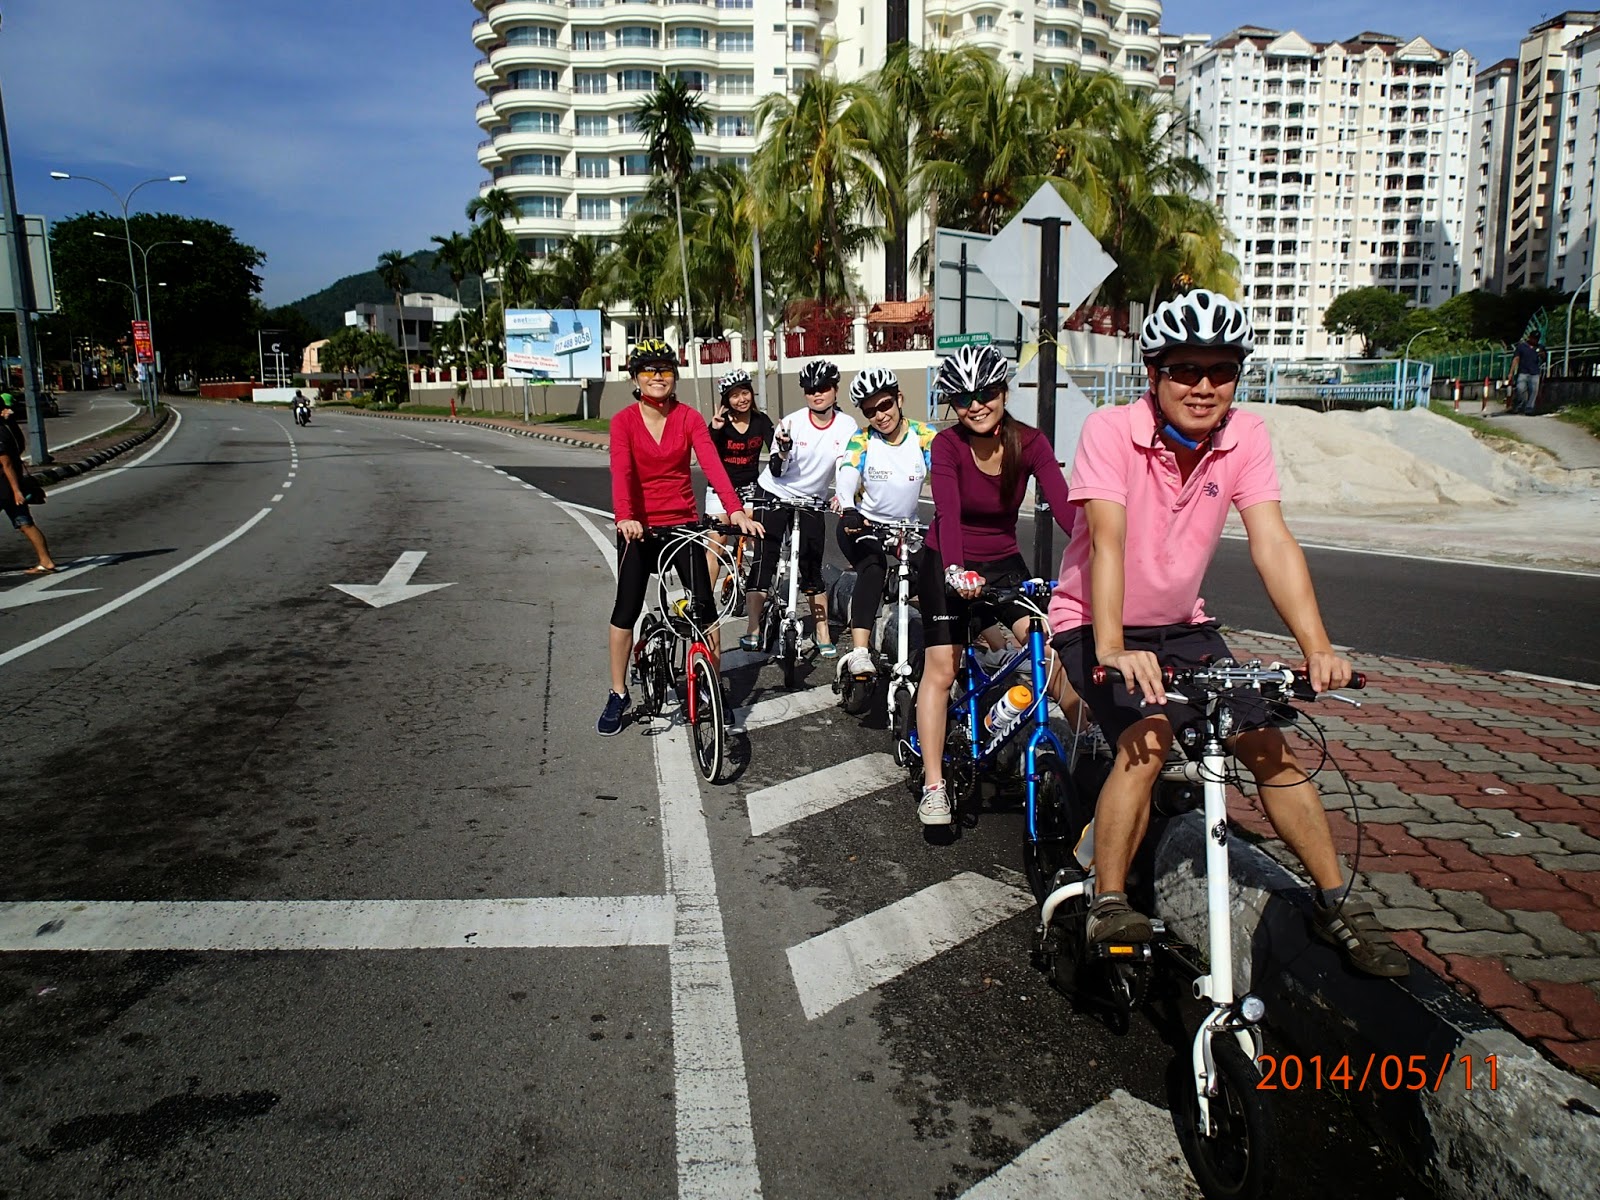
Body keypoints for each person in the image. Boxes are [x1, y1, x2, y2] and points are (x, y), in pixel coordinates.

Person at [1047, 289, 1406, 978]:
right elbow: (1109, 542)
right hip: (1097, 620)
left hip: (1186, 624)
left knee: (1266, 744)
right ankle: (1110, 899)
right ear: (1153, 374)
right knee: (1146, 743)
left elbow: (1271, 540)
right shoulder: (1110, 431)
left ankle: (1337, 901)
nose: (1204, 386)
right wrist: (1117, 647)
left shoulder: (1245, 437)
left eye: (1221, 370)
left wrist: (1317, 646)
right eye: (1186, 370)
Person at [916, 344, 1078, 827]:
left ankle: (1087, 757)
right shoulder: (947, 446)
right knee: (942, 669)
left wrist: (1105, 557)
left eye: (986, 392)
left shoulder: (1030, 443)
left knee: (1055, 645)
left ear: (1004, 391)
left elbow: (1067, 509)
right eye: (963, 398)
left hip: (1004, 562)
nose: (976, 405)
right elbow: (946, 513)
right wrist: (956, 570)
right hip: (946, 558)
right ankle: (933, 785)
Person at [599, 339, 763, 736]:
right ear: (636, 378)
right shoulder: (623, 421)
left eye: (665, 370)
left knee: (705, 609)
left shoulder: (688, 418)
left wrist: (735, 509)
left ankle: (711, 687)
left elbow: (713, 465)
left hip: (683, 525)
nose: (658, 377)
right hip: (638, 528)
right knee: (626, 609)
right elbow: (620, 471)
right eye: (649, 370)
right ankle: (618, 692)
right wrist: (626, 517)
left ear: (674, 377)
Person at [743, 359, 857, 658]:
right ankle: (753, 627)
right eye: (810, 390)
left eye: (823, 388)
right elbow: (778, 471)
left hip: (812, 500)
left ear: (835, 389)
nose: (816, 394)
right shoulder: (792, 422)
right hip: (774, 491)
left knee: (810, 564)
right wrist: (781, 449)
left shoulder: (847, 426)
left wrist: (844, 498)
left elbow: (849, 465)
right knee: (765, 559)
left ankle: (822, 631)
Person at [833, 366, 935, 680]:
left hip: (906, 530)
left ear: (899, 399)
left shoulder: (924, 435)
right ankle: (861, 652)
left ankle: (957, 647)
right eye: (870, 410)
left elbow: (947, 476)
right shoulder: (862, 440)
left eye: (885, 404)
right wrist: (849, 507)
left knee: (938, 573)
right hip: (864, 524)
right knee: (873, 567)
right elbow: (847, 473)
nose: (880, 415)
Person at [706, 368, 774, 599]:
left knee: (756, 535)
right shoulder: (720, 423)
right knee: (717, 541)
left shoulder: (761, 420)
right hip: (719, 488)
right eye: (734, 395)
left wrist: (785, 443)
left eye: (744, 393)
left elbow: (775, 449)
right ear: (726, 399)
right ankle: (704, 601)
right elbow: (707, 454)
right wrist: (714, 430)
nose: (741, 399)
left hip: (750, 489)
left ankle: (757, 590)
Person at [0, 394, 56, 576]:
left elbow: (5, 464)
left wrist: (16, 491)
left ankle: (46, 560)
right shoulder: (10, 429)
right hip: (11, 486)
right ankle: (46, 560)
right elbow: (19, 450)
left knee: (25, 523)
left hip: (5, 487)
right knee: (25, 524)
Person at [1507, 330, 1544, 415]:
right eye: (1534, 338)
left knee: (1534, 391)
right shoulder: (1522, 346)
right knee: (1520, 389)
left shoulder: (1540, 347)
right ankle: (1520, 405)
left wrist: (1542, 354)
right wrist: (1511, 372)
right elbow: (1516, 359)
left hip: (1534, 372)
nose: (1535, 340)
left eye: (1537, 339)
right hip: (1523, 372)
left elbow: (1544, 358)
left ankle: (1529, 408)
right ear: (1529, 337)